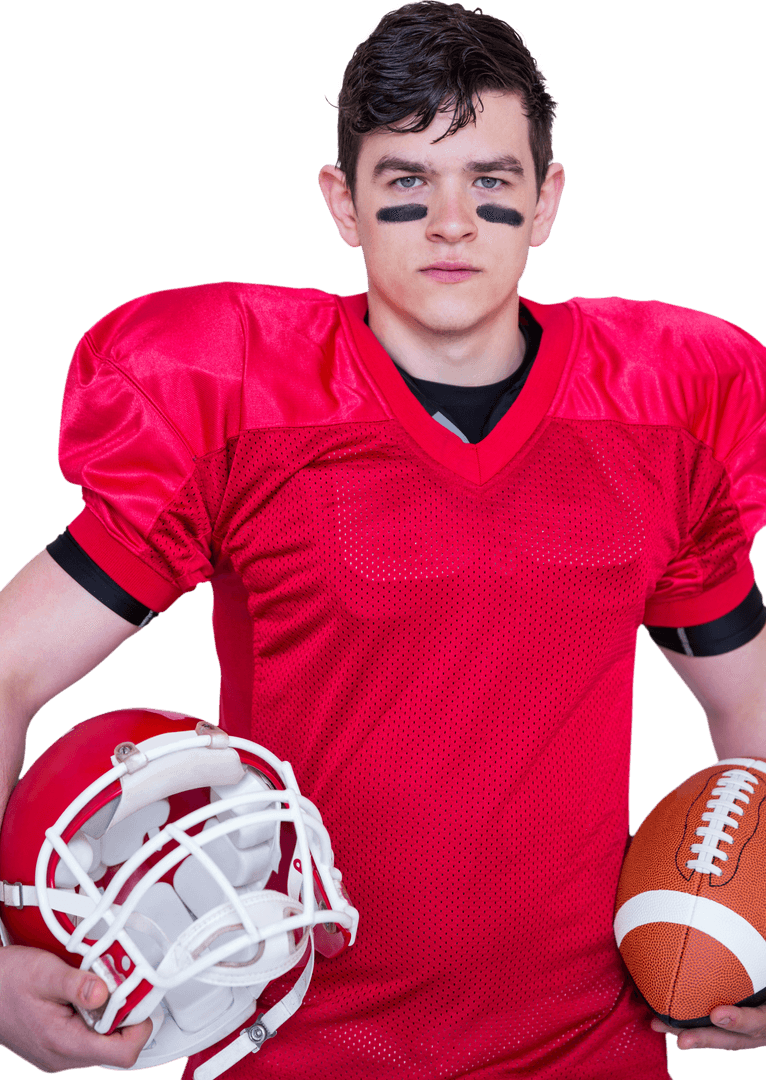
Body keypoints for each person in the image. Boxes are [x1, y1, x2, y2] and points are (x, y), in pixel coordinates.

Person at [1, 2, 765, 1077]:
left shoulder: (660, 413)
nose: (450, 221)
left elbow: (749, 708)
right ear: (343, 205)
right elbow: (9, 663)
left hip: (589, 1044)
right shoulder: (244, 410)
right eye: (406, 185)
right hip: (295, 1039)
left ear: (545, 201)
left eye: (490, 184)